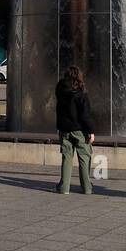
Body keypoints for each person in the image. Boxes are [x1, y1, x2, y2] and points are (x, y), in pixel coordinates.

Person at [55, 65, 96, 194]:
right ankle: (87, 187)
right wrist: (91, 131)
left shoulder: (60, 91)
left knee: (67, 157)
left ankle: (64, 187)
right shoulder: (81, 94)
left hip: (65, 129)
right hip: (80, 130)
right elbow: (85, 115)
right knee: (84, 157)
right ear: (79, 77)